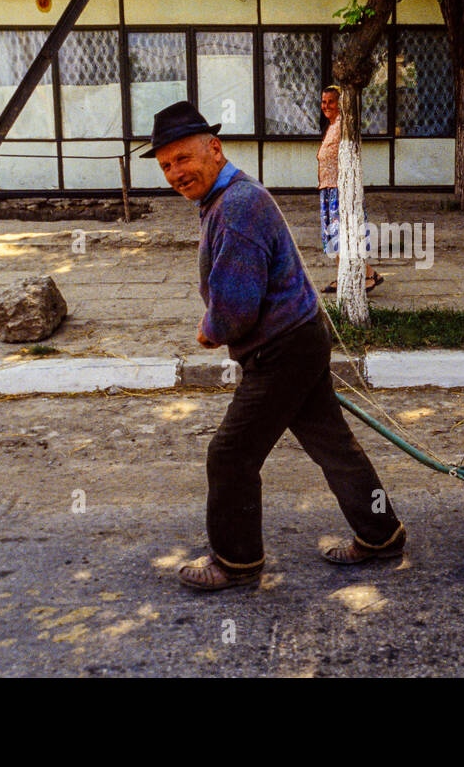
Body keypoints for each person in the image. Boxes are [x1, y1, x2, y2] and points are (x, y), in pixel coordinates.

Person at [141, 100, 406, 591]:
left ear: (214, 149)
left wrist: (210, 329)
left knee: (230, 455)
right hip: (299, 338)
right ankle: (382, 533)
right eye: (166, 166)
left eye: (182, 159)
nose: (175, 173)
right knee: (333, 446)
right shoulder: (226, 198)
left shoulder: (237, 205)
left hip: (282, 349)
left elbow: (237, 307)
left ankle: (236, 563)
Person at [317, 86, 382, 293]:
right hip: (328, 188)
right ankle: (350, 275)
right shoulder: (332, 125)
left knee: (343, 236)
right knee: (335, 238)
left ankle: (367, 275)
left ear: (339, 104)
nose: (326, 106)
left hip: (340, 189)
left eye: (331, 102)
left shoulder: (344, 125)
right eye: (324, 102)